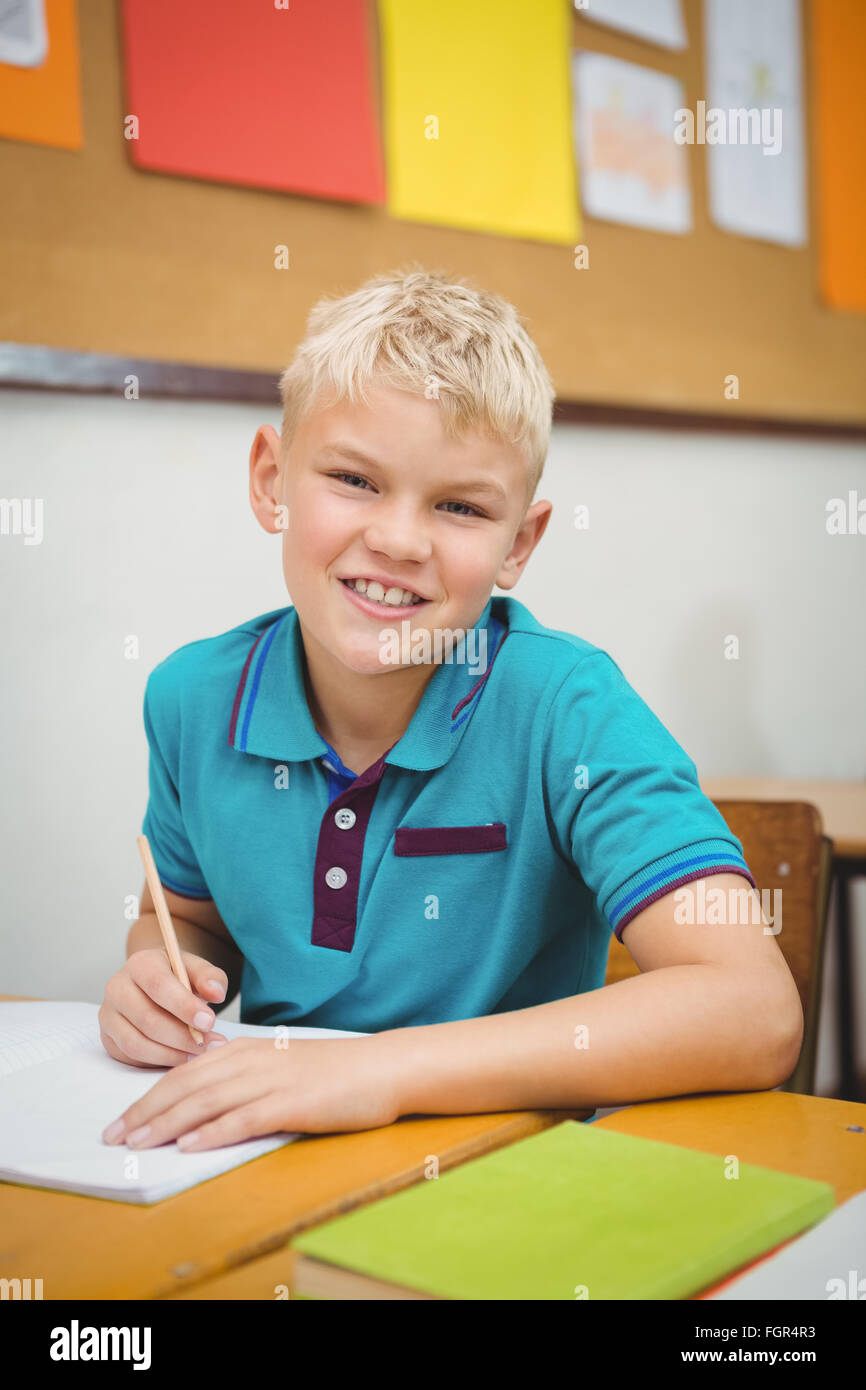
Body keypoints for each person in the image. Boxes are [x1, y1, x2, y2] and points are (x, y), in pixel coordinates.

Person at [100, 267, 803, 1153]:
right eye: (354, 479)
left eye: (460, 506)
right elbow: (188, 915)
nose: (397, 540)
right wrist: (155, 973)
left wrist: (376, 1073)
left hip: (506, 1184)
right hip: (260, 1163)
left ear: (520, 543)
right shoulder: (190, 699)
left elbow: (753, 1007)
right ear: (272, 480)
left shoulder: (566, 708)